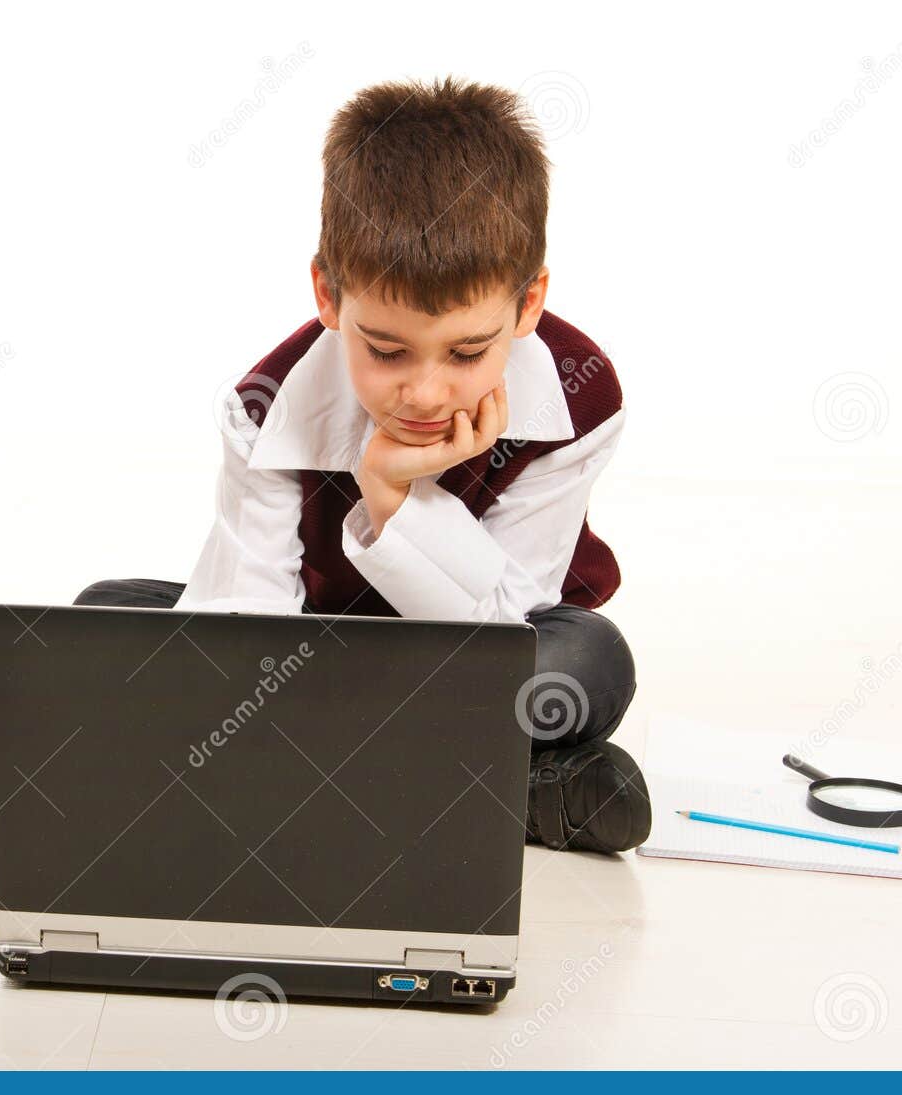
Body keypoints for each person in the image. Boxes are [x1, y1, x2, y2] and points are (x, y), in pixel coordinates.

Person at [75, 77, 649, 854]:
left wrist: (393, 499)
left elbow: (501, 636)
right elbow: (243, 629)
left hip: (464, 657)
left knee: (585, 660)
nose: (423, 389)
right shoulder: (266, 407)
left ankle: (321, 774)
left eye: (470, 351)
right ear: (327, 295)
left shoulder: (579, 398)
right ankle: (510, 789)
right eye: (384, 349)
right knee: (102, 619)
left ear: (527, 305)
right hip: (311, 655)